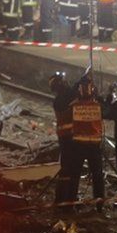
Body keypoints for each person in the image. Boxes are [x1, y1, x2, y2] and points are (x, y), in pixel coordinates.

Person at [58, 72, 105, 207]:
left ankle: (70, 203)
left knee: (75, 176)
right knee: (97, 176)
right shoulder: (98, 105)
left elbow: (63, 118)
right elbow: (108, 112)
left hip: (78, 145)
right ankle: (99, 204)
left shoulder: (74, 105)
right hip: (94, 146)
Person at [49, 72, 75, 203]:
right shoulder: (62, 100)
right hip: (68, 137)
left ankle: (63, 197)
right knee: (68, 168)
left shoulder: (59, 100)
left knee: (66, 167)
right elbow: (73, 92)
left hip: (65, 137)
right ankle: (64, 198)